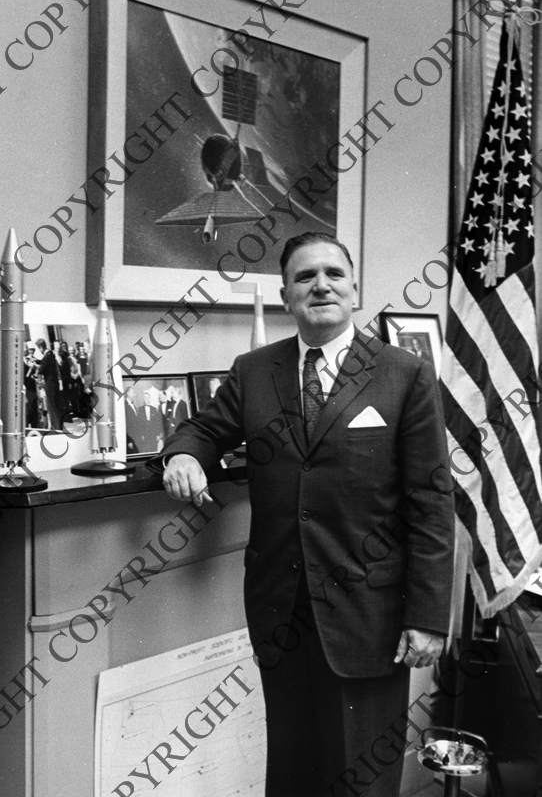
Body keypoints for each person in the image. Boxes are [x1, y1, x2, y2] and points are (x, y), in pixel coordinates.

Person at [152, 232, 455, 797]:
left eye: (334, 274)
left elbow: (432, 503)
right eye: (305, 277)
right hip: (280, 610)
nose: (321, 286)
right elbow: (202, 428)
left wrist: (429, 616)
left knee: (360, 779)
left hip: (370, 616)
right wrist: (186, 454)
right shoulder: (253, 371)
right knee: (291, 775)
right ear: (286, 294)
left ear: (355, 288)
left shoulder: (404, 375)